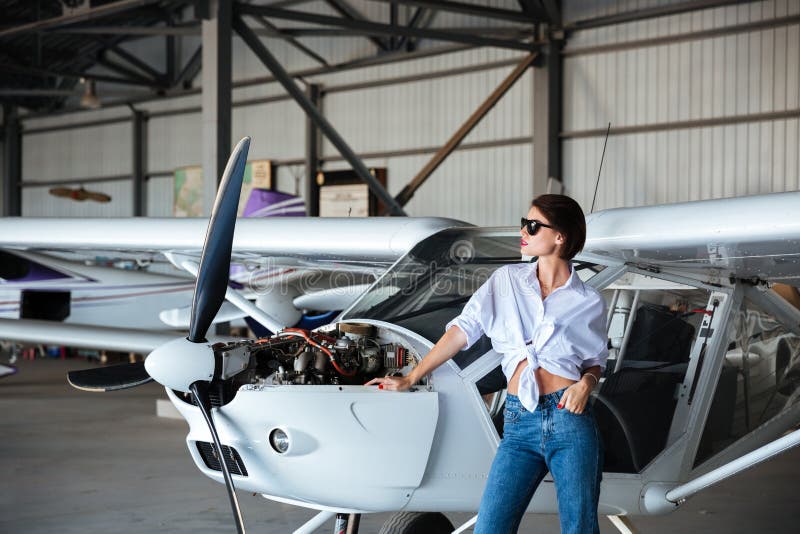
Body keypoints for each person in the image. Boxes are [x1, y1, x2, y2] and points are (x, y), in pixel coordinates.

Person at [366, 194, 608, 534]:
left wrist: (586, 384)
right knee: (490, 528)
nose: (523, 230)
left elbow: (595, 361)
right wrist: (413, 377)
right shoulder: (506, 280)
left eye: (534, 225)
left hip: (570, 420)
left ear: (560, 237)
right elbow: (462, 331)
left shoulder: (589, 301)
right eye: (524, 222)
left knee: (579, 528)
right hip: (518, 422)